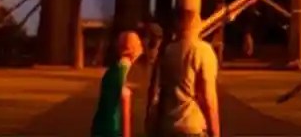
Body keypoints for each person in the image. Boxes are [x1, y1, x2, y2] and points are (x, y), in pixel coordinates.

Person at [154, 9, 220, 137]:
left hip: (167, 125)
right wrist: (215, 131)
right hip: (192, 126)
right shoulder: (203, 50)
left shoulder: (168, 51)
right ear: (197, 24)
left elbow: (159, 90)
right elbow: (208, 97)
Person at [91, 30, 144, 137]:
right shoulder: (124, 72)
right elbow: (125, 112)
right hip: (112, 129)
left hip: (100, 126)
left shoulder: (112, 70)